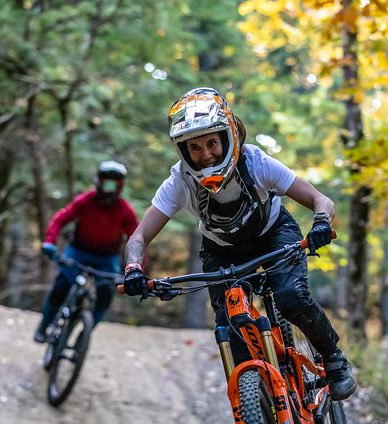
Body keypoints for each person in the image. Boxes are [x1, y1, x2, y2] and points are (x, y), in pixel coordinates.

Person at [122, 87, 356, 400]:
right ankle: (258, 406)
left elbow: (320, 200)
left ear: (228, 136)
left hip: (274, 234)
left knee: (290, 296)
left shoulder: (257, 163)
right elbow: (139, 237)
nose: (205, 154)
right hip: (221, 249)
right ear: (183, 150)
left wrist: (322, 223)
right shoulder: (180, 181)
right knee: (231, 326)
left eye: (212, 143)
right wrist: (133, 269)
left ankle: (333, 358)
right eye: (194, 147)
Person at [34, 160, 139, 342]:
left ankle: (85, 334)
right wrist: (49, 242)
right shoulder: (85, 201)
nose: (110, 188)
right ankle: (44, 325)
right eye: (107, 183)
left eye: (114, 184)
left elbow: (137, 240)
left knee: (106, 294)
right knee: (61, 286)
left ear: (120, 186)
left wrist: (135, 269)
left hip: (107, 258)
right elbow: (61, 219)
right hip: (78, 251)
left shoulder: (125, 211)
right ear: (99, 181)